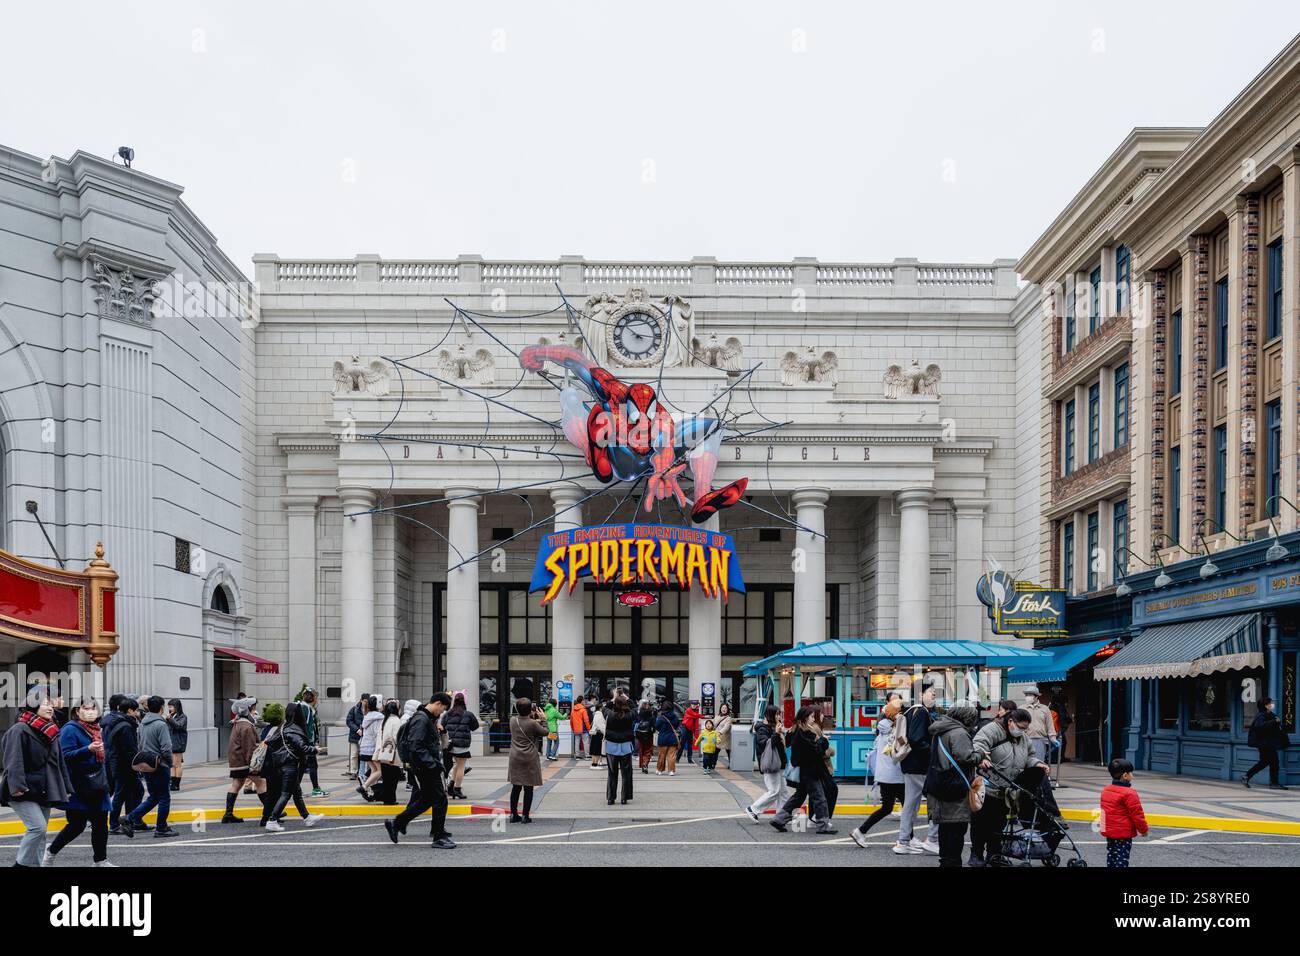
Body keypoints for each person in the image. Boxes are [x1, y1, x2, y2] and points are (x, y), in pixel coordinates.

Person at [1, 687, 71, 866]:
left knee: (41, 833)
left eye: (51, 704)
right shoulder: (19, 729)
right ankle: (21, 865)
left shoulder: (51, 731)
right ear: (33, 707)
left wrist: (66, 787)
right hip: (22, 789)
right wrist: (16, 786)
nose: (50, 708)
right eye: (45, 704)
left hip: (45, 788)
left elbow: (59, 762)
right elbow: (13, 760)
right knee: (37, 828)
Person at [970, 706, 1049, 866]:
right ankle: (976, 853)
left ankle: (994, 854)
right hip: (987, 786)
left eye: (1025, 728)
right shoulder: (992, 729)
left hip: (1007, 789)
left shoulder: (1024, 738)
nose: (1022, 731)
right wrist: (981, 758)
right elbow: (978, 744)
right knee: (981, 823)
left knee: (999, 823)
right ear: (1011, 721)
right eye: (1021, 727)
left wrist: (1038, 764)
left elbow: (1030, 756)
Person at [45, 697, 114, 867]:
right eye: (85, 708)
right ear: (77, 711)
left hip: (97, 783)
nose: (90, 711)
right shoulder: (70, 729)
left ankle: (100, 861)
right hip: (79, 785)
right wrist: (88, 749)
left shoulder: (97, 729)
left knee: (100, 823)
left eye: (93, 708)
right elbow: (65, 756)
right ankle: (50, 852)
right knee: (76, 825)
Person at [385, 692, 455, 848]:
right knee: (440, 799)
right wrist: (433, 765)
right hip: (425, 767)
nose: (442, 712)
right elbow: (416, 746)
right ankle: (438, 837)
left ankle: (397, 823)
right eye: (442, 708)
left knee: (426, 800)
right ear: (437, 703)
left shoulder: (425, 718)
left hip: (425, 766)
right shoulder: (421, 719)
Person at [926, 704, 979, 868]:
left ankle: (946, 861)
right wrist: (981, 755)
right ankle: (952, 863)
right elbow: (966, 757)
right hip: (955, 786)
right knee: (956, 830)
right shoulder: (959, 732)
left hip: (940, 783)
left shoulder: (941, 729)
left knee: (945, 828)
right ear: (967, 718)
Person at [770, 705, 836, 834]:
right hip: (810, 771)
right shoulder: (804, 733)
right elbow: (815, 751)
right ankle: (823, 825)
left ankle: (779, 819)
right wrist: (823, 740)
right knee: (819, 797)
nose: (813, 718)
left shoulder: (797, 731)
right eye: (811, 716)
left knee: (799, 797)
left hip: (802, 771)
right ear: (805, 718)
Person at [850, 697, 905, 848]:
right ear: (895, 714)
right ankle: (907, 839)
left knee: (887, 807)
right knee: (907, 807)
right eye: (901, 712)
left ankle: (860, 831)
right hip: (895, 775)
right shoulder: (895, 730)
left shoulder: (882, 729)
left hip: (884, 775)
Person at [264, 702, 325, 832]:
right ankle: (272, 820)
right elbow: (302, 747)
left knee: (297, 793)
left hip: (282, 765)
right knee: (286, 794)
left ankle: (307, 817)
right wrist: (314, 749)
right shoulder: (294, 729)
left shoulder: (283, 727)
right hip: (290, 765)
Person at [126, 695, 178, 838]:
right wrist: (168, 762)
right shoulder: (161, 724)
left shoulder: (143, 723)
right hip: (160, 764)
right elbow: (166, 747)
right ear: (161, 708)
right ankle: (161, 828)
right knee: (164, 797)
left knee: (154, 797)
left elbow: (140, 744)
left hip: (146, 764)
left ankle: (129, 818)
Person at [896, 683, 938, 854]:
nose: (934, 695)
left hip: (910, 764)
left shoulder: (910, 710)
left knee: (910, 805)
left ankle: (904, 841)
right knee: (937, 799)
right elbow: (916, 739)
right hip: (920, 765)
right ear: (920, 694)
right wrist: (933, 752)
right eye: (932, 693)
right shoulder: (920, 711)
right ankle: (932, 839)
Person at [223, 696, 266, 823]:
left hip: (236, 760)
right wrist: (255, 766)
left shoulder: (239, 723)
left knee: (236, 784)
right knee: (261, 783)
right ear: (247, 710)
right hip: (243, 761)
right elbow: (249, 748)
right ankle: (271, 812)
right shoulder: (246, 726)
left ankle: (228, 814)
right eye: (253, 709)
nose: (255, 712)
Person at [1100, 757, 1149, 868]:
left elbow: (1104, 811)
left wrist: (1104, 829)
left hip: (1110, 832)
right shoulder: (1129, 793)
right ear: (1125, 776)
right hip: (1123, 833)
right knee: (1122, 858)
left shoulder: (1106, 790)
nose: (1133, 775)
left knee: (1112, 855)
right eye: (1131, 773)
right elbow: (1137, 814)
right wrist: (1143, 830)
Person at [105, 697, 142, 835]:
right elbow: (129, 750)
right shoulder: (125, 726)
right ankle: (120, 822)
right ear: (130, 710)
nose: (138, 713)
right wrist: (137, 764)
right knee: (127, 793)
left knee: (127, 793)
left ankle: (129, 820)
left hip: (120, 765)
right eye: (137, 710)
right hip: (124, 767)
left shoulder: (119, 723)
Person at [507, 698, 547, 822]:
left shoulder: (512, 720)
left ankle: (513, 814)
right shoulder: (532, 723)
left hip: (515, 757)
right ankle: (525, 815)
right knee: (528, 787)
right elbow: (545, 732)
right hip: (529, 757)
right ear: (530, 709)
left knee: (516, 786)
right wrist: (543, 719)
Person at [746, 705, 788, 821]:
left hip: (780, 763)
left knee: (783, 792)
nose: (779, 717)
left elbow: (784, 745)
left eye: (779, 714)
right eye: (777, 714)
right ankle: (753, 809)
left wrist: (783, 734)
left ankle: (781, 816)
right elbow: (765, 744)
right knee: (774, 791)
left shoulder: (776, 727)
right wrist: (776, 733)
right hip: (771, 764)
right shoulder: (762, 729)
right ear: (770, 715)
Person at [441, 692, 479, 799]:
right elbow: (474, 727)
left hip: (450, 744)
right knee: (461, 766)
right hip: (462, 744)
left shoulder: (447, 714)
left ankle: (451, 785)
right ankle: (457, 789)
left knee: (456, 765)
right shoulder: (468, 714)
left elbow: (442, 727)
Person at [1245, 697, 1289, 789]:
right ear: (1265, 705)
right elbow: (1260, 727)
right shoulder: (1261, 716)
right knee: (1272, 762)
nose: (1272, 704)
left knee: (1267, 762)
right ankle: (1273, 783)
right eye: (1270, 703)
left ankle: (1247, 776)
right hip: (1264, 744)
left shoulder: (1270, 714)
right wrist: (1274, 722)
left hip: (1269, 743)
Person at [603, 694, 636, 804]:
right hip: (626, 746)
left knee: (612, 773)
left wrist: (613, 698)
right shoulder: (629, 715)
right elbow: (636, 709)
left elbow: (604, 708)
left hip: (612, 746)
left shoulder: (610, 715)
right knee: (626, 774)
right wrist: (627, 698)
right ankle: (624, 797)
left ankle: (611, 798)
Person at [299, 687, 329, 797]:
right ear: (313, 698)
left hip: (304, 742)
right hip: (306, 743)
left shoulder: (303, 707)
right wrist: (310, 743)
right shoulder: (306, 709)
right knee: (311, 766)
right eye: (315, 697)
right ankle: (315, 789)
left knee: (303, 766)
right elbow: (306, 727)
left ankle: (297, 789)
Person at [374, 699, 404, 805]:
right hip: (393, 754)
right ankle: (391, 799)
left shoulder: (384, 720)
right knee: (394, 778)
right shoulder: (396, 720)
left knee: (386, 778)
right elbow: (397, 737)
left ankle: (387, 798)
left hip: (383, 753)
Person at [1022, 687, 1057, 764]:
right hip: (1024, 740)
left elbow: (1050, 725)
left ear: (1036, 696)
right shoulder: (1021, 708)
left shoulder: (1045, 709)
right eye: (1026, 695)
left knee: (1039, 763)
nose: (1027, 697)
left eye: (1030, 695)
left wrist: (1053, 738)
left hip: (1040, 740)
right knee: (1025, 763)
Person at [358, 695, 383, 799]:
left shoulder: (367, 716)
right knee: (380, 771)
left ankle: (371, 792)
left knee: (373, 769)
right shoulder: (379, 717)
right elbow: (378, 734)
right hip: (373, 748)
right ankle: (364, 786)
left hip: (364, 748)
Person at [344, 692, 368, 778]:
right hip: (354, 736)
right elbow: (349, 721)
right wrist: (357, 729)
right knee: (354, 754)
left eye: (367, 701)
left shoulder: (370, 710)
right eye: (364, 701)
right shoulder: (354, 709)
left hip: (366, 736)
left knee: (364, 755)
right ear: (361, 700)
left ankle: (364, 772)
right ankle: (353, 771)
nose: (366, 703)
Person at [166, 698, 187, 791]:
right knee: (172, 764)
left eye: (171, 706)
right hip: (170, 742)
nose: (169, 708)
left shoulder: (182, 717)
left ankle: (176, 784)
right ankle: (172, 783)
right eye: (168, 706)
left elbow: (178, 726)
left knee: (177, 764)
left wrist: (170, 719)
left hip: (178, 743)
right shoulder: (171, 716)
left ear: (176, 707)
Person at [655, 702, 681, 775]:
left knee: (661, 755)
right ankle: (671, 771)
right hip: (672, 738)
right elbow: (676, 725)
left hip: (663, 738)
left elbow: (657, 726)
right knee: (671, 755)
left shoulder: (661, 717)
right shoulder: (675, 716)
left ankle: (659, 770)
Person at [635, 701, 657, 773]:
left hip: (640, 735)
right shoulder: (651, 716)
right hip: (648, 735)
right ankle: (645, 763)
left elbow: (636, 724)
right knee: (648, 750)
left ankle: (642, 764)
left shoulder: (639, 715)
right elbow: (654, 726)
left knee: (641, 750)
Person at [715, 703, 733, 767]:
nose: (724, 709)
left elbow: (726, 727)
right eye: (723, 708)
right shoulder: (717, 716)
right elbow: (714, 725)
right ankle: (713, 764)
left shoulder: (728, 718)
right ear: (720, 708)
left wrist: (720, 732)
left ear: (727, 709)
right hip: (717, 737)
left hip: (726, 737)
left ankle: (731, 764)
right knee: (716, 751)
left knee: (728, 751)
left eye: (725, 708)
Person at [590, 702, 606, 769]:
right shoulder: (599, 715)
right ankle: (595, 764)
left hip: (595, 733)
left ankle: (594, 764)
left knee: (594, 750)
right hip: (598, 734)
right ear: (600, 708)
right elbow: (601, 726)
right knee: (597, 750)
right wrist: (605, 733)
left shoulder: (595, 714)